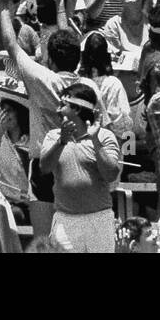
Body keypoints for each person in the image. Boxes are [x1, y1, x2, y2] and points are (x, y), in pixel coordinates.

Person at [39, 81, 122, 252]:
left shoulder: (105, 136)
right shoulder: (53, 136)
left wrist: (95, 140)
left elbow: (111, 174)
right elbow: (44, 168)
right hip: (65, 220)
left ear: (76, 109)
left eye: (63, 105)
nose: (57, 109)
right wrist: (61, 141)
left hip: (99, 219)